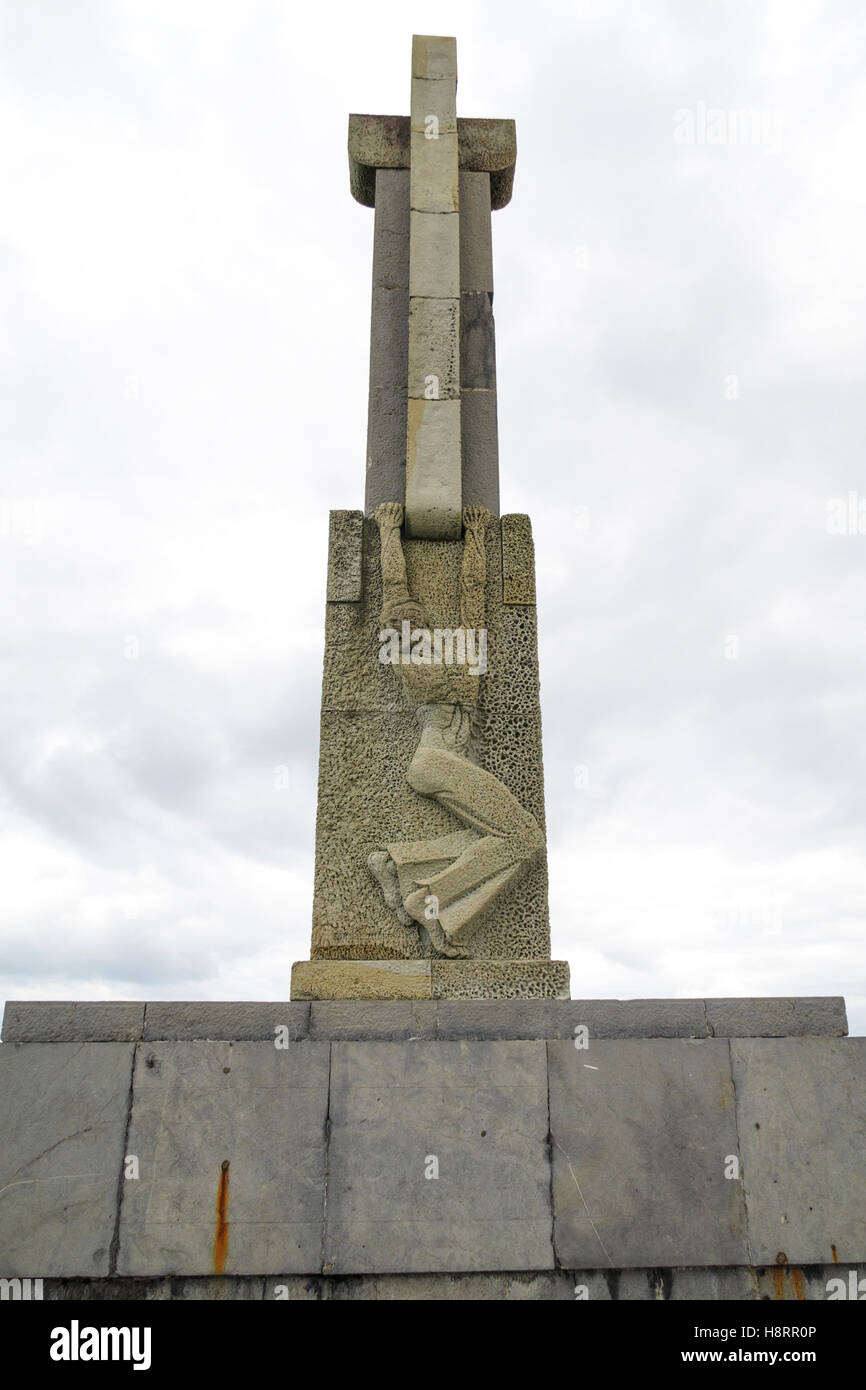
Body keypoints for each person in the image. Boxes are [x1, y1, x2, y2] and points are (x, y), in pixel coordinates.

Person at [367, 501, 545, 958]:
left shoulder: (454, 656)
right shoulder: (439, 659)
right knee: (523, 839)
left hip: (438, 763)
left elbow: (468, 592)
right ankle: (427, 899)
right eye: (411, 623)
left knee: (504, 839)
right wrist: (392, 530)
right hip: (437, 762)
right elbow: (406, 588)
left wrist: (475, 540)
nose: (419, 623)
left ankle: (397, 865)